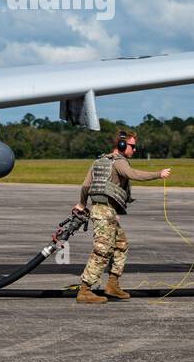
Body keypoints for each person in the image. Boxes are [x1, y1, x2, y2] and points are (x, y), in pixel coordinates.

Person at [73, 129, 172, 304]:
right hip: (104, 213)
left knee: (120, 245)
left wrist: (82, 204)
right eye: (132, 146)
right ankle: (85, 290)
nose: (134, 150)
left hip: (106, 211)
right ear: (122, 145)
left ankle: (112, 284)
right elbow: (133, 175)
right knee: (102, 251)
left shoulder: (99, 161)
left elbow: (85, 186)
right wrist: (158, 174)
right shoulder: (119, 162)